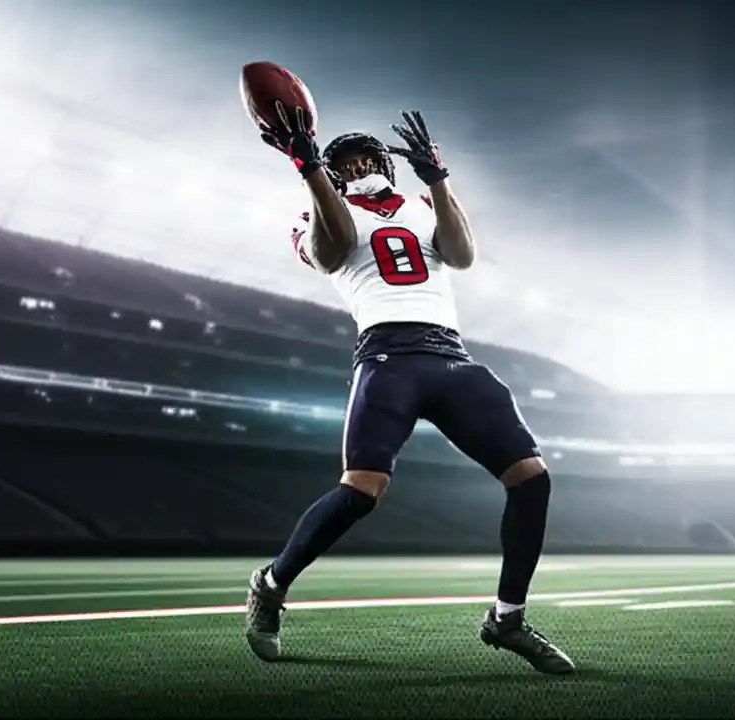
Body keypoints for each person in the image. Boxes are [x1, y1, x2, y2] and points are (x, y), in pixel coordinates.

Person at [244, 104, 574, 675]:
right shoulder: (320, 208)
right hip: (386, 355)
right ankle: (271, 586)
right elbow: (331, 249)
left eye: (369, 157)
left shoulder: (422, 204)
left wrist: (439, 181)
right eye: (345, 162)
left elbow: (463, 257)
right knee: (361, 490)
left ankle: (507, 619)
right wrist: (309, 169)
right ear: (331, 171)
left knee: (531, 478)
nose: (360, 166)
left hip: (449, 354)